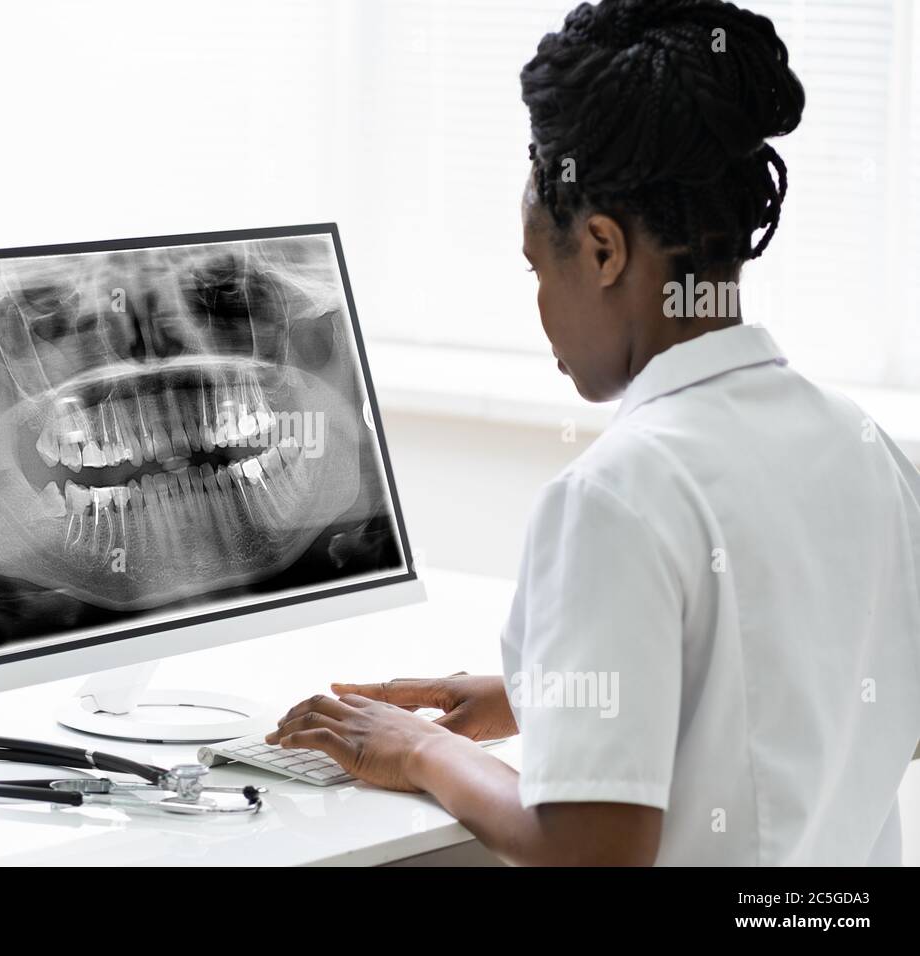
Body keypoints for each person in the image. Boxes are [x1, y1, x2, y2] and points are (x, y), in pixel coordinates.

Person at [265, 0, 920, 865]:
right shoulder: (871, 450)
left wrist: (423, 749)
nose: (541, 311)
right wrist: (553, 695)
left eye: (539, 265)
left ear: (605, 250)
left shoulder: (616, 495)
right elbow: (861, 711)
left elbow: (591, 853)